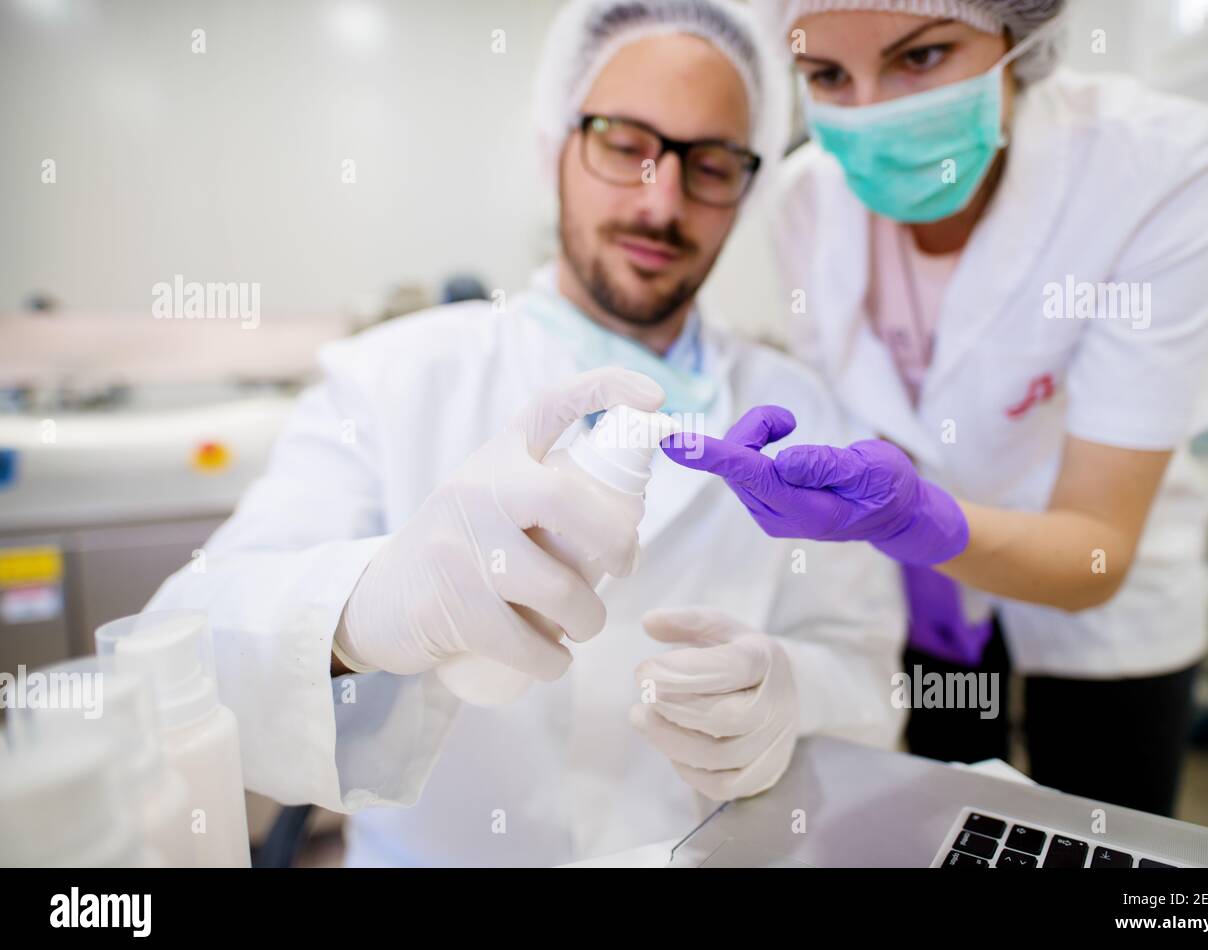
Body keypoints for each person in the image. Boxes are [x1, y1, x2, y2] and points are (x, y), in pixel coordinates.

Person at [145, 0, 904, 867]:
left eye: (714, 163)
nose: (663, 202)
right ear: (558, 145)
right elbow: (182, 644)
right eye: (626, 143)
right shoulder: (393, 377)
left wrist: (793, 693)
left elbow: (870, 672)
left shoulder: (802, 404)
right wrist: (357, 612)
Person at [662, 0, 1208, 816]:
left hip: (1102, 609)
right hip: (923, 599)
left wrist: (917, 523)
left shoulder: (1159, 163)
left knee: (1099, 832)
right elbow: (852, 401)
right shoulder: (805, 199)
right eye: (828, 75)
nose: (872, 112)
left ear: (1018, 36)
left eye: (922, 56)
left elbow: (1098, 548)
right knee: (948, 819)